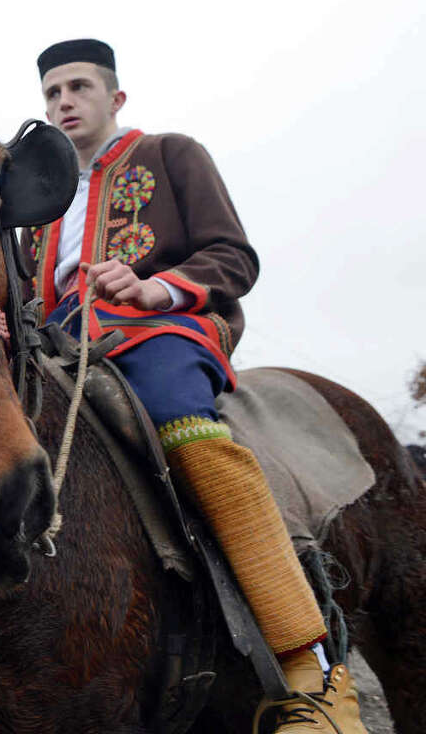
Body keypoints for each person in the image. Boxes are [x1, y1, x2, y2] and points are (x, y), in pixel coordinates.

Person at [24, 39, 366, 733]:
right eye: (53, 91)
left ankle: (311, 670)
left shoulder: (171, 153)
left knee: (182, 421)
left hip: (154, 332)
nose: (64, 102)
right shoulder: (42, 200)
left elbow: (232, 256)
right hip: (56, 348)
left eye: (79, 87)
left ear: (115, 99)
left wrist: (156, 286)